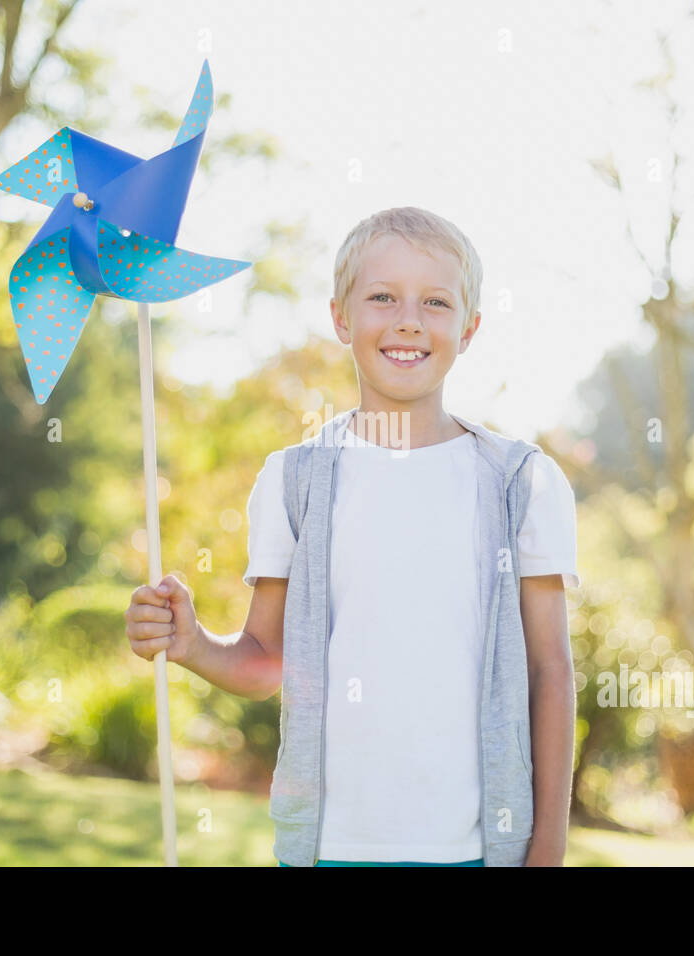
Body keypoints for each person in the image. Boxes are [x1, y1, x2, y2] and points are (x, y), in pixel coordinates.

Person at [126, 206, 578, 866]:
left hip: (479, 850)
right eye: (382, 297)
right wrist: (192, 643)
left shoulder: (521, 484)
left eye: (435, 301)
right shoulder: (294, 480)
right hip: (330, 846)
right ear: (341, 317)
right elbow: (268, 659)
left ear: (469, 328)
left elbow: (551, 671)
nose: (407, 320)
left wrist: (548, 851)